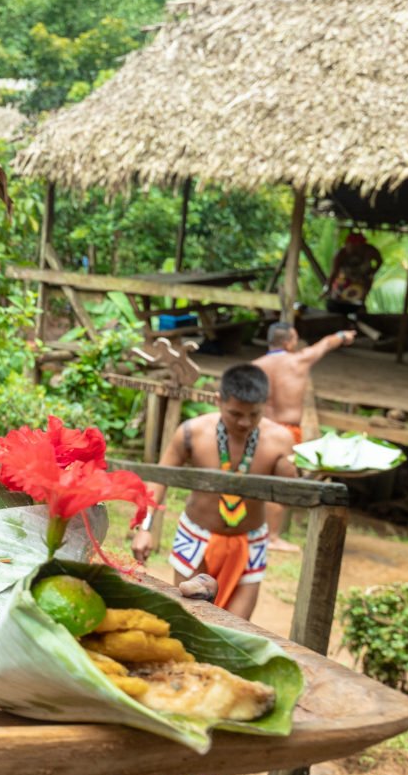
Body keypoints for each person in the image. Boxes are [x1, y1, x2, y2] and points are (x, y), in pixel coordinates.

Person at [130, 364, 297, 621]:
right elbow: (159, 479)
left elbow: (291, 493)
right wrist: (144, 528)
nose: (244, 422)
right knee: (189, 620)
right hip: (195, 537)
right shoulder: (192, 433)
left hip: (250, 543)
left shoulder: (281, 440)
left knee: (235, 627)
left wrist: (296, 473)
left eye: (254, 414)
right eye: (235, 414)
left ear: (264, 405)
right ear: (218, 401)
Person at [252, 321, 356, 550]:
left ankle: (251, 529)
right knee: (281, 485)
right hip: (287, 432)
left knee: (256, 478)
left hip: (261, 428)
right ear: (289, 342)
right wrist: (343, 335)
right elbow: (325, 343)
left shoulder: (256, 366)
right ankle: (271, 538)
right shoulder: (298, 360)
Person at [324, 230, 382, 316]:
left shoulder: (370, 251)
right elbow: (334, 272)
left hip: (361, 280)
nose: (355, 249)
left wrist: (372, 272)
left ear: (362, 246)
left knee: (359, 301)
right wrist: (327, 287)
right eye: (352, 246)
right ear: (347, 244)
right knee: (339, 300)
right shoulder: (341, 254)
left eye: (358, 247)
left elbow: (379, 261)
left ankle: (360, 313)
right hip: (345, 281)